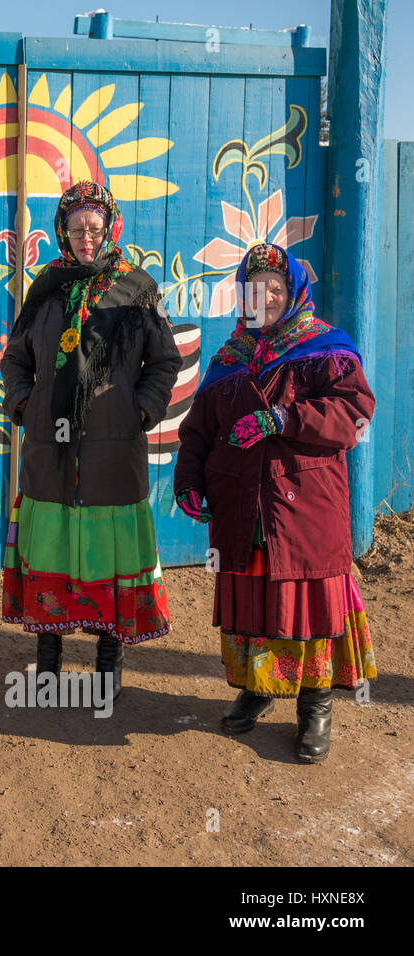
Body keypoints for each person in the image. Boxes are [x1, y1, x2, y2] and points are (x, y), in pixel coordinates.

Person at [174, 241, 376, 763]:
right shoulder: (229, 359)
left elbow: (353, 415)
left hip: (304, 507)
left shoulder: (326, 348)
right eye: (252, 289)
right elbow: (197, 432)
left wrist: (286, 419)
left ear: (293, 293)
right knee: (255, 598)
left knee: (304, 606)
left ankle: (315, 707)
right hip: (243, 507)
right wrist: (189, 481)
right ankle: (258, 688)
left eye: (274, 289)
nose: (263, 297)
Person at [0, 181, 181, 699]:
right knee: (52, 543)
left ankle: (107, 662)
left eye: (94, 227)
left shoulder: (136, 288)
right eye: (76, 227)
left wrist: (141, 408)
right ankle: (50, 662)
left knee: (107, 550)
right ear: (63, 230)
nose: (85, 237)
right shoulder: (47, 285)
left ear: (110, 228)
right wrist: (23, 403)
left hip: (111, 447)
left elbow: (164, 361)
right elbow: (17, 356)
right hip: (48, 452)